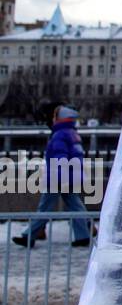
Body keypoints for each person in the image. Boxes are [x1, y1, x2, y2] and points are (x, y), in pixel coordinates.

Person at [12, 105, 92, 248]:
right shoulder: (72, 133)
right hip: (69, 175)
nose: (53, 119)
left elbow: (60, 157)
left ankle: (29, 236)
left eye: (55, 116)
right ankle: (83, 235)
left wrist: (58, 177)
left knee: (45, 207)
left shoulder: (59, 135)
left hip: (58, 177)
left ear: (60, 118)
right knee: (75, 206)